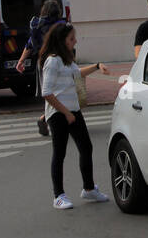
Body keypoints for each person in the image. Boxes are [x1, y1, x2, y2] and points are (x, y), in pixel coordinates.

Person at [39, 22, 110, 209]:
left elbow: (78, 74)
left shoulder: (66, 60)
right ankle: (58, 196)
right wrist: (66, 113)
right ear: (62, 41)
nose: (75, 41)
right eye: (71, 39)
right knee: (59, 153)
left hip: (73, 111)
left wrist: (97, 66)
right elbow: (46, 93)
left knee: (86, 147)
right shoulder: (52, 61)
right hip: (58, 113)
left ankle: (88, 189)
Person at [16, 0, 62, 137]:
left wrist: (21, 61)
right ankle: (46, 119)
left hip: (42, 63)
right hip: (56, 62)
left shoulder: (36, 25)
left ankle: (48, 120)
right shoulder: (60, 26)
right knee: (59, 94)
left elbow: (29, 44)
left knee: (50, 95)